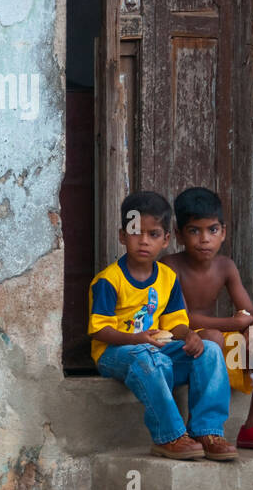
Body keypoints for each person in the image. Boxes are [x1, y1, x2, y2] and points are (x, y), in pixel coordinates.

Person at [88, 190, 237, 461]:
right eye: (136, 233)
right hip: (115, 353)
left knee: (210, 350)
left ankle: (207, 431)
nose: (144, 241)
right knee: (150, 357)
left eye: (153, 234)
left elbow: (175, 322)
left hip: (155, 350)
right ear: (123, 236)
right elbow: (99, 330)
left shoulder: (168, 277)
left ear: (166, 239)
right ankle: (168, 436)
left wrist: (189, 335)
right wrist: (138, 339)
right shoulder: (109, 280)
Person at [162, 186, 253, 451]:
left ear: (224, 232)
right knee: (213, 338)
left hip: (219, 336)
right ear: (179, 234)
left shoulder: (225, 266)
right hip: (185, 338)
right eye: (195, 231)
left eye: (212, 230)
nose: (205, 239)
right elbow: (182, 318)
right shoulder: (170, 266)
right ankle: (199, 428)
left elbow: (250, 312)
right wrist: (233, 324)